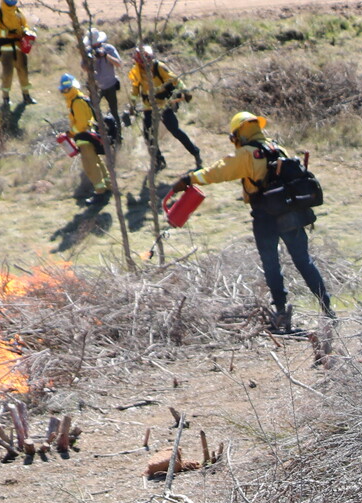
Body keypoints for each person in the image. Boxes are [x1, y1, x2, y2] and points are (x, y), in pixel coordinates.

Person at [171, 112, 333, 334]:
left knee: (271, 264)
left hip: (266, 215)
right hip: (291, 213)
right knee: (304, 261)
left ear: (239, 134)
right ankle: (328, 309)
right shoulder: (278, 148)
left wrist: (189, 179)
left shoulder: (249, 154)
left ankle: (281, 313)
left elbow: (218, 171)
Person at [128, 46, 201, 169]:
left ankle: (195, 152)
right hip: (148, 107)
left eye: (150, 59)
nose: (149, 61)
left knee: (175, 130)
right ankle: (159, 160)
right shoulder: (137, 72)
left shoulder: (159, 67)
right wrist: (132, 105)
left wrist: (186, 91)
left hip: (163, 104)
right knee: (148, 136)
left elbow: (175, 80)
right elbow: (135, 90)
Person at [58, 74, 111, 204]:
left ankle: (100, 194)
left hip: (84, 137)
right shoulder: (78, 99)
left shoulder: (77, 101)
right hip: (87, 137)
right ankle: (108, 186)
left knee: (90, 166)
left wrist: (70, 133)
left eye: (66, 89)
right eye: (63, 90)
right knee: (97, 162)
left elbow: (81, 124)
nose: (65, 92)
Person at [0, 0, 35, 108]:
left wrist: (26, 31)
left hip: (19, 46)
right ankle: (6, 98)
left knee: (23, 71)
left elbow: (25, 24)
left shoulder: (18, 11)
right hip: (6, 47)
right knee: (7, 73)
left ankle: (26, 96)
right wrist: (8, 34)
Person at [83, 29, 124, 144]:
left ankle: (118, 136)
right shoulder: (87, 51)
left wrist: (106, 56)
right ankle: (100, 136)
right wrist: (89, 60)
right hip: (95, 87)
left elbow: (119, 63)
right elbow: (84, 67)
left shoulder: (109, 49)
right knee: (94, 112)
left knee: (114, 112)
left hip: (110, 85)